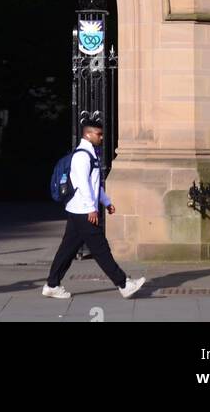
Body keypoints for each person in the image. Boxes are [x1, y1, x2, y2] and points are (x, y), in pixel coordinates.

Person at [42, 117, 145, 300]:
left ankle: (52, 284)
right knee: (100, 249)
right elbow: (83, 185)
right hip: (83, 211)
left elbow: (95, 185)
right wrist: (92, 208)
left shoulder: (90, 154)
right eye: (98, 134)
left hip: (78, 210)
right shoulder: (83, 156)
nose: (102, 137)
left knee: (67, 250)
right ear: (88, 134)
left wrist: (106, 202)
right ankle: (124, 284)